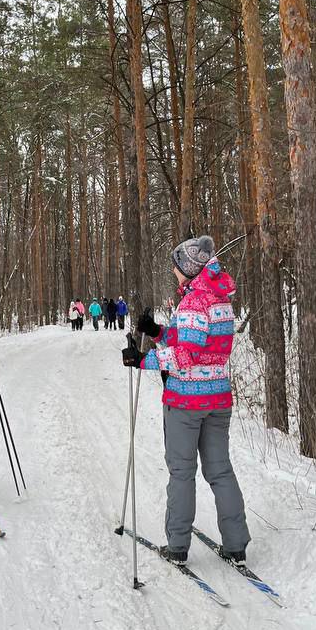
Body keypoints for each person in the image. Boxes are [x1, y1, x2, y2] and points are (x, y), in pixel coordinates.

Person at [122, 235, 250, 568]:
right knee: (220, 470)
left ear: (188, 268)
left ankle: (177, 545)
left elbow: (186, 356)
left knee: (182, 472)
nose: (173, 271)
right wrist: (156, 331)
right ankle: (236, 544)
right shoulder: (218, 298)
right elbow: (193, 341)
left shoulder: (194, 302)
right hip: (217, 398)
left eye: (176, 266)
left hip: (187, 401)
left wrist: (143, 360)